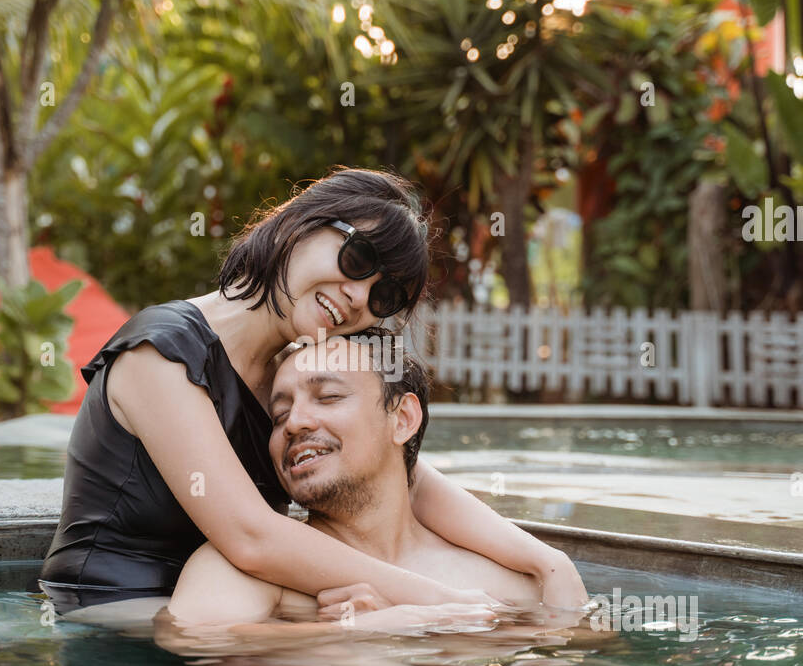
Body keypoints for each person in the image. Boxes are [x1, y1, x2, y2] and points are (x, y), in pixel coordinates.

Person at [39, 166, 587, 616]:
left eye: (383, 297)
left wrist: (547, 563)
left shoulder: (287, 369)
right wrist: (439, 602)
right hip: (114, 609)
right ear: (301, 224)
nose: (356, 296)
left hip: (234, 598)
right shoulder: (159, 355)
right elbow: (251, 538)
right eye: (358, 259)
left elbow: (409, 478)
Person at [165, 332, 580, 634]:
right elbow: (193, 639)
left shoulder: (503, 580)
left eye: (327, 397)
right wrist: (371, 629)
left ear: (402, 420)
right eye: (279, 416)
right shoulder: (249, 569)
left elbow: (582, 652)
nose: (294, 423)